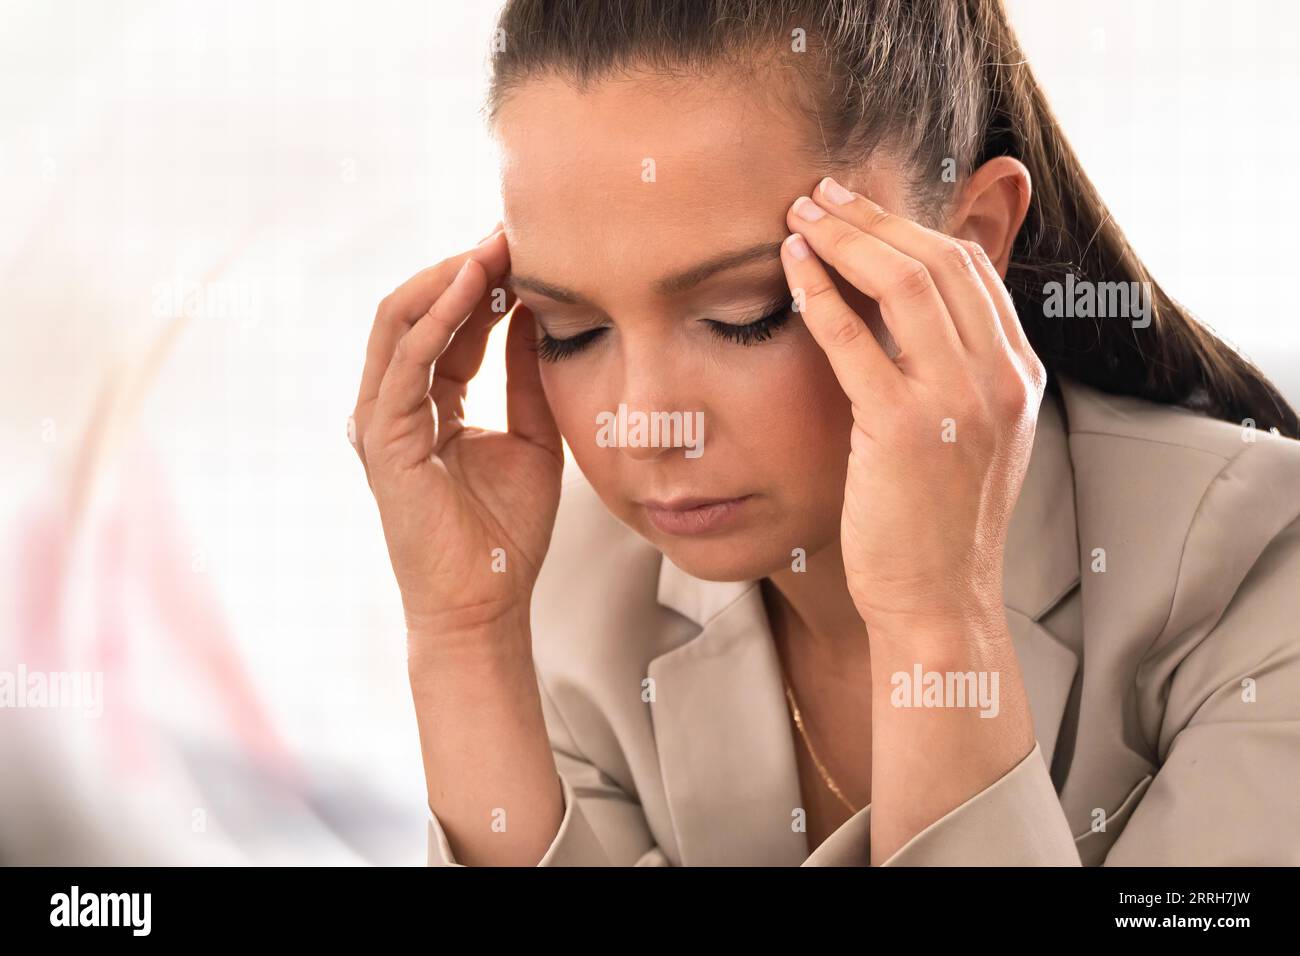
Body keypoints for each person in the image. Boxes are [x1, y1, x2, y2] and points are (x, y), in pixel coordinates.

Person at [350, 0, 1300, 866]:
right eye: (572, 331)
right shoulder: (572, 591)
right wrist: (462, 637)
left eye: (748, 315)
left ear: (971, 241)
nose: (644, 424)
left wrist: (939, 616)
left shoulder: (1257, 569)